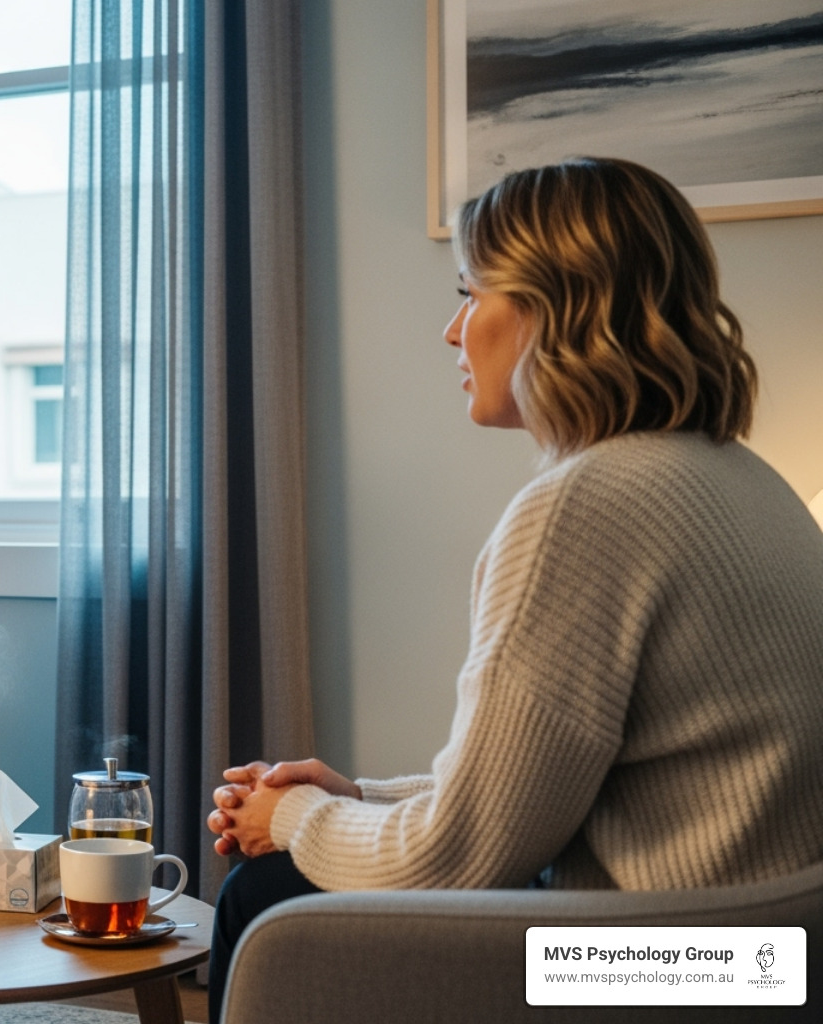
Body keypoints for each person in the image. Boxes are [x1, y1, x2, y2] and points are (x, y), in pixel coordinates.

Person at [204, 157, 823, 1022]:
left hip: (665, 968)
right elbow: (551, 795)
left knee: (266, 896)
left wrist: (298, 819)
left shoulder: (584, 506)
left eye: (471, 294)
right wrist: (358, 797)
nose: (453, 332)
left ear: (552, 307)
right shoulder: (743, 481)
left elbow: (455, 860)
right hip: (768, 959)